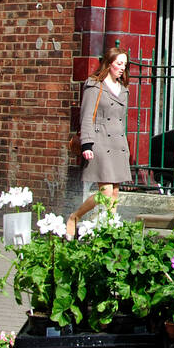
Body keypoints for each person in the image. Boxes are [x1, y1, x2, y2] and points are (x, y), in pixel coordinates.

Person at [66, 47, 131, 237]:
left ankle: (109, 232)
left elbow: (122, 121)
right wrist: (87, 144)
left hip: (118, 143)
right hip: (100, 140)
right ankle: (75, 217)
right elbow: (86, 116)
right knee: (105, 192)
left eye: (124, 65)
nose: (122, 68)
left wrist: (126, 148)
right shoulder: (95, 86)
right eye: (119, 63)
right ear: (109, 63)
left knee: (115, 193)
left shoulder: (123, 90)